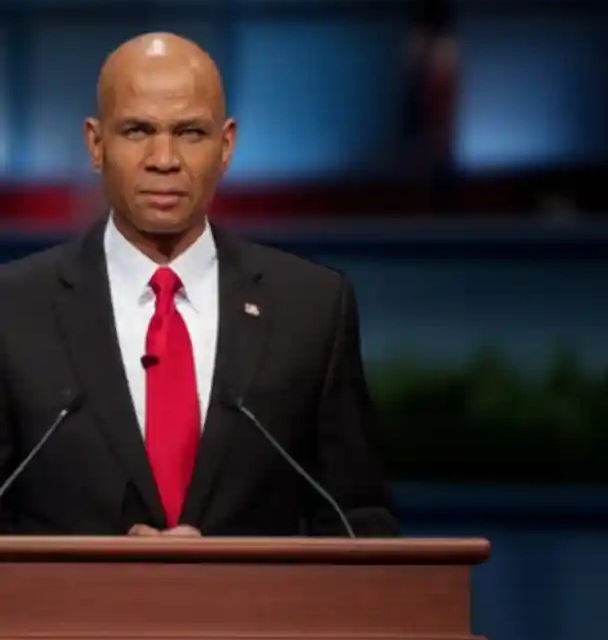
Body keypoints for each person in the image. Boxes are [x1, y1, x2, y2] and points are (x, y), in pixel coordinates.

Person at [0, 32, 398, 536]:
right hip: (68, 615)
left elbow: (358, 520)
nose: (163, 159)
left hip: (255, 614)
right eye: (137, 130)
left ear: (226, 145)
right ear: (96, 145)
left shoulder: (312, 308)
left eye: (189, 132)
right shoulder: (13, 310)